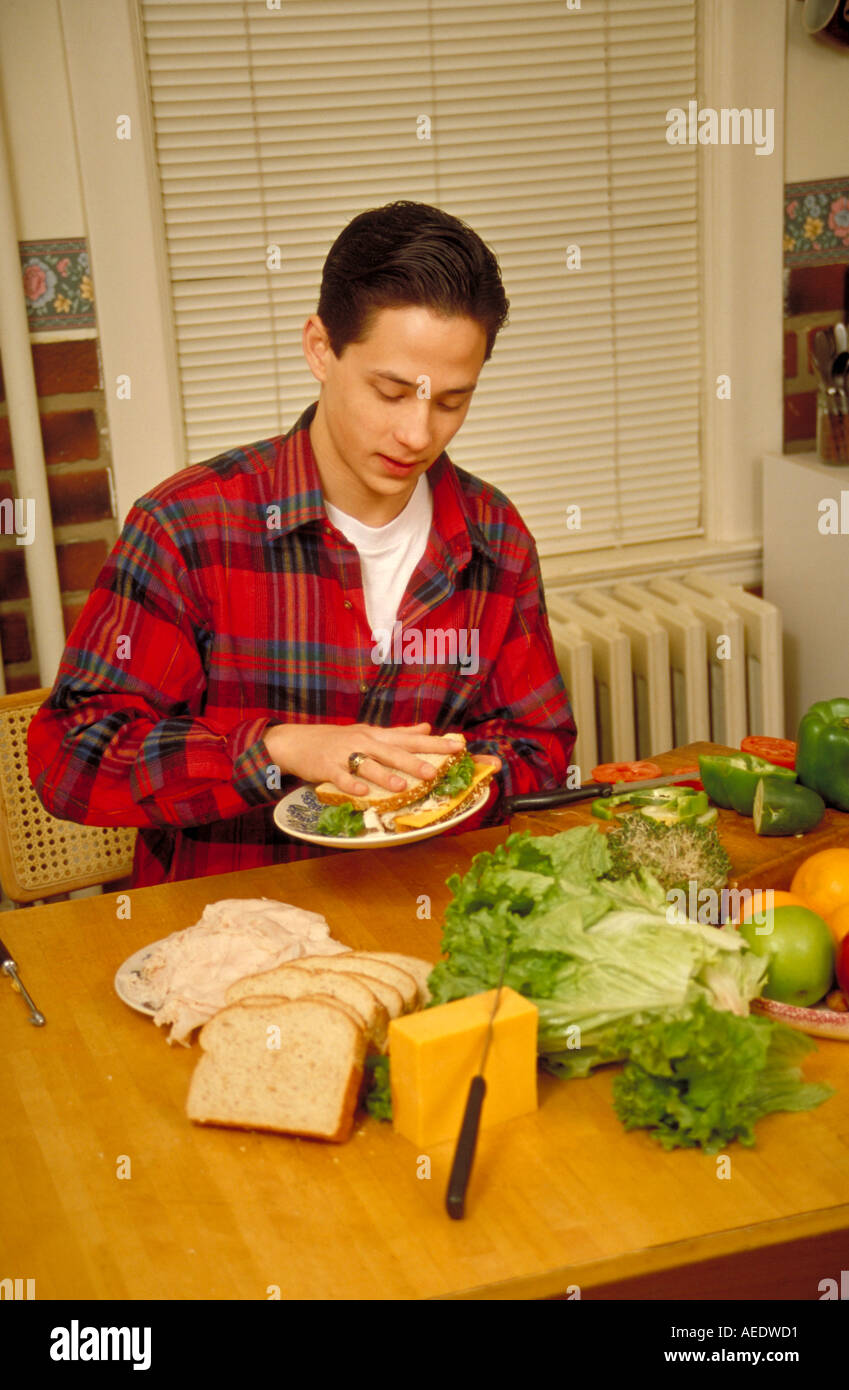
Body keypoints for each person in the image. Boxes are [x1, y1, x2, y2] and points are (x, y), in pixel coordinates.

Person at [28, 201, 577, 887]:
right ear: (320, 348)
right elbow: (72, 759)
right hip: (227, 932)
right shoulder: (187, 527)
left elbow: (538, 748)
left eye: (449, 402)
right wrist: (277, 748)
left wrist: (446, 783)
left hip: (420, 912)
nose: (416, 433)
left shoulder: (494, 536)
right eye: (390, 391)